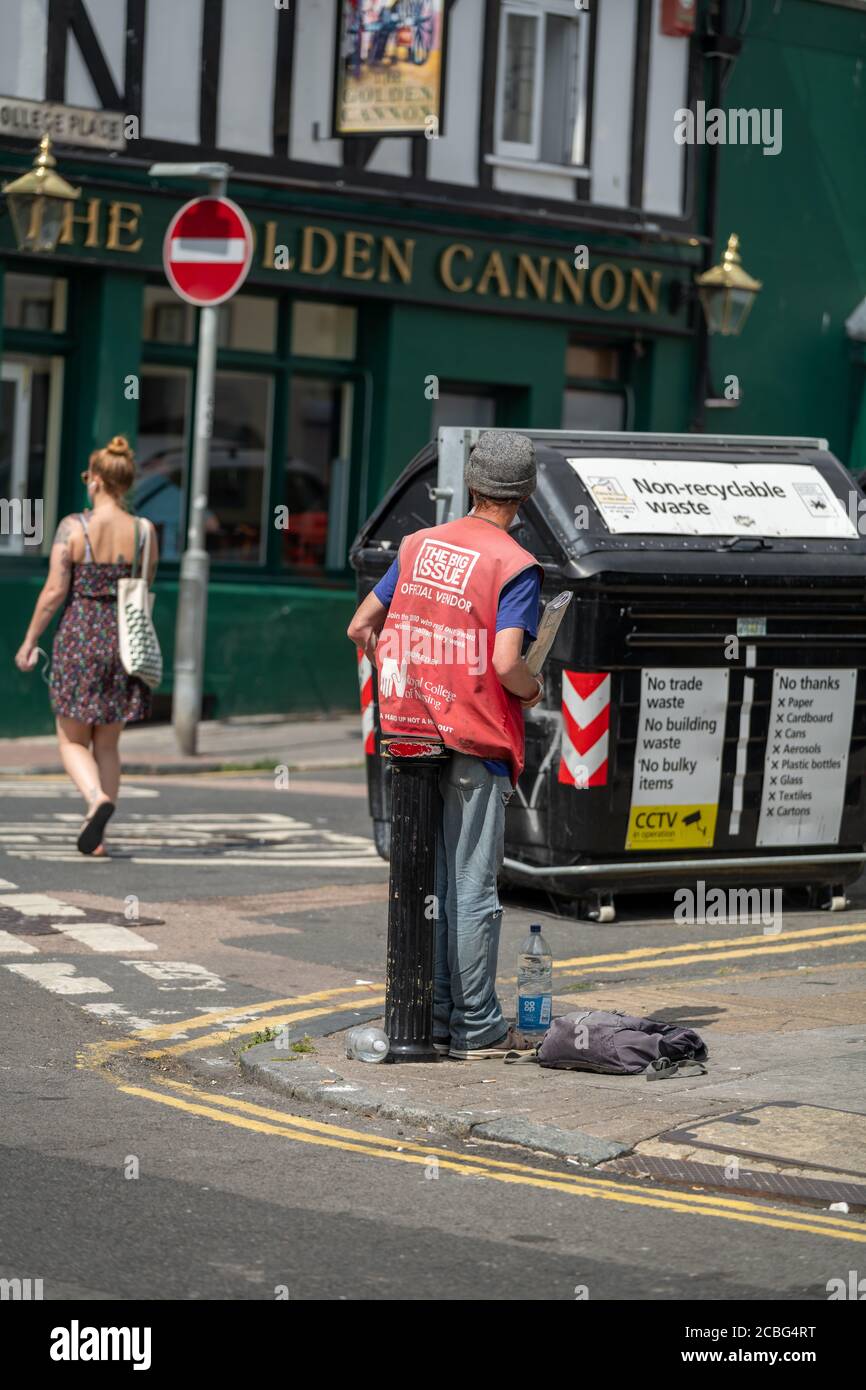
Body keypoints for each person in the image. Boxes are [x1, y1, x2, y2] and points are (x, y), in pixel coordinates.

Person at [347, 430, 543, 1060]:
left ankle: (431, 1015)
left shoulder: (417, 543)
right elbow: (507, 661)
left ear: (472, 485)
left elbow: (360, 626)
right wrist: (531, 686)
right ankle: (478, 1026)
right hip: (475, 734)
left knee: (428, 880)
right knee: (472, 888)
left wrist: (407, 661)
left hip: (409, 728)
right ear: (523, 496)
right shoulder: (514, 565)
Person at [14, 435, 158, 857]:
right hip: (124, 641)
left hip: (80, 635)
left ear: (94, 481)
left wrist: (30, 639)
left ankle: (96, 799)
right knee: (108, 743)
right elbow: (144, 587)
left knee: (72, 740)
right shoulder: (145, 532)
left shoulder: (73, 527)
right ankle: (100, 838)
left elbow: (56, 590)